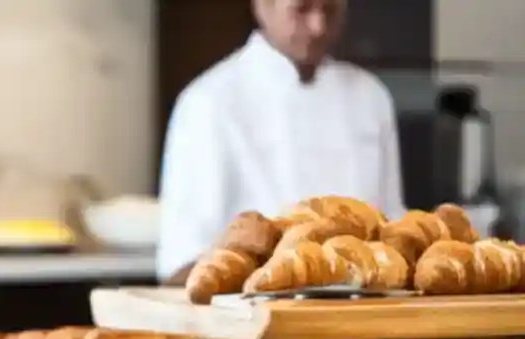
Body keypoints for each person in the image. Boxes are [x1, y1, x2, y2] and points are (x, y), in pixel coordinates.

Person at [157, 0, 406, 283]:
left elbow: (393, 228)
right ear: (262, 7)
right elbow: (181, 263)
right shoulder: (208, 103)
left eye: (330, 11)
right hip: (253, 318)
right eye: (301, 9)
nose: (318, 26)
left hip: (367, 316)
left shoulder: (370, 96)